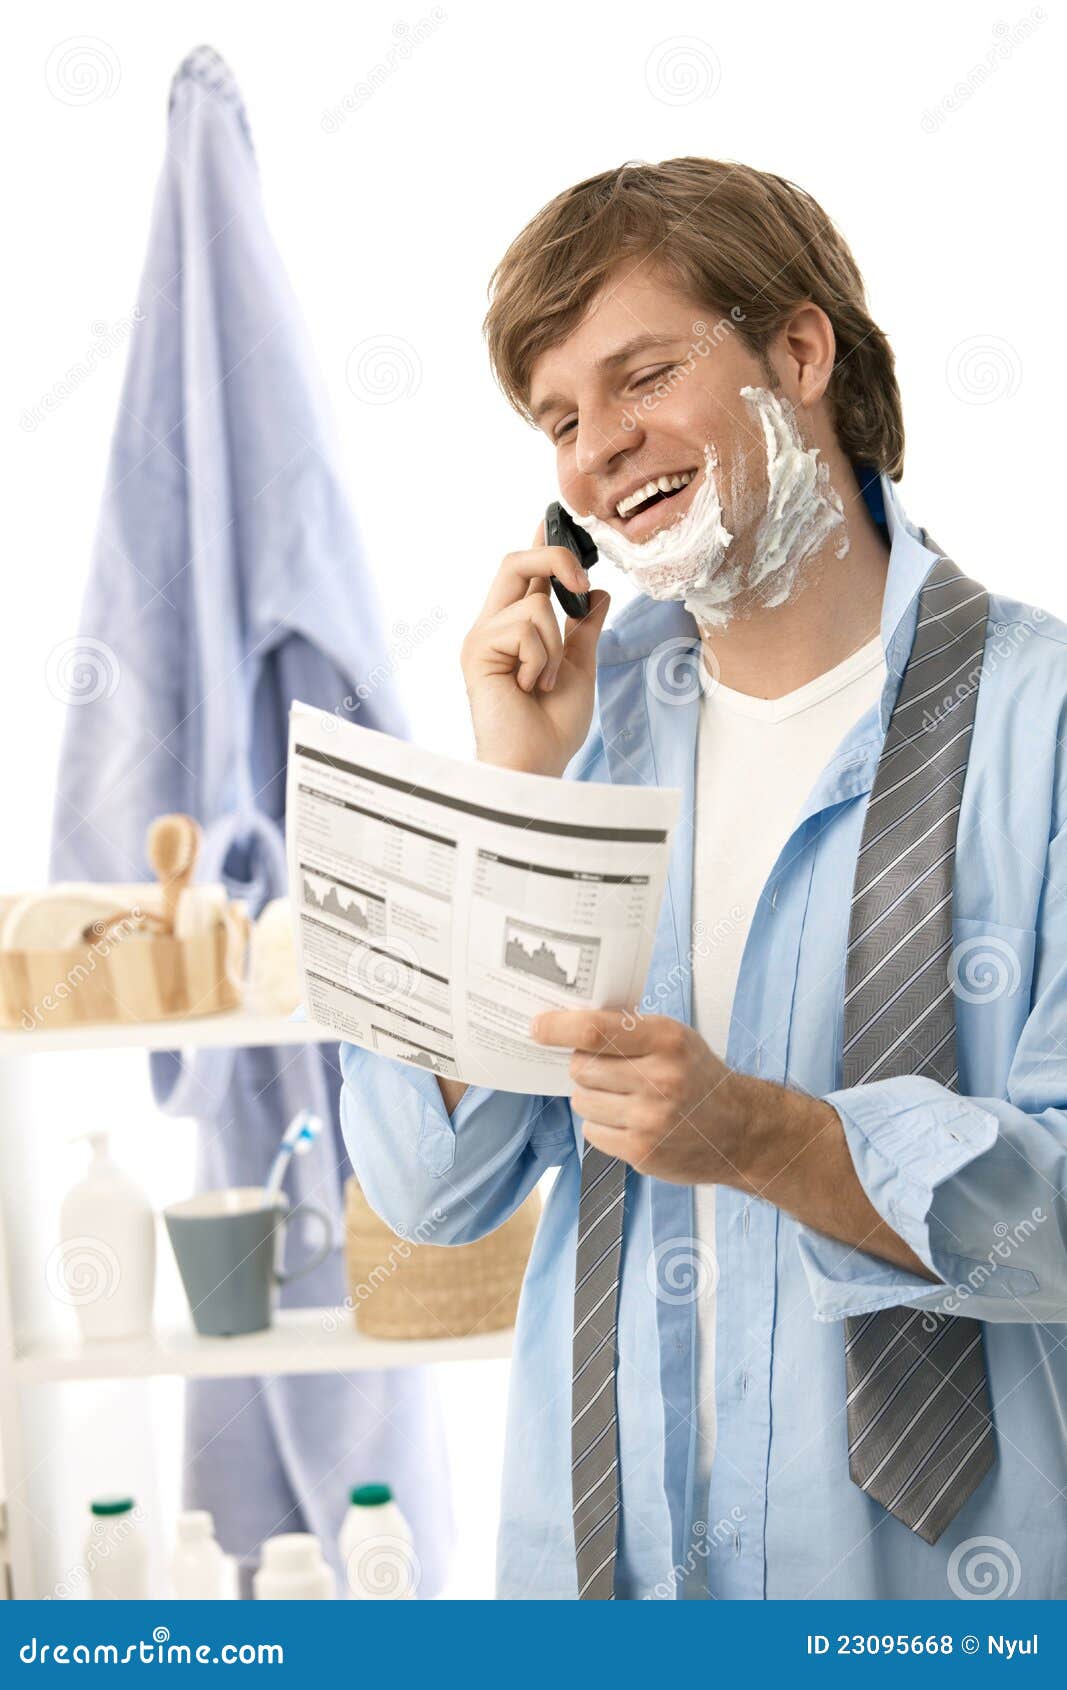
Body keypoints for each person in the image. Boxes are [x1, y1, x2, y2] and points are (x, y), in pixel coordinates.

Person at [340, 157, 1067, 1599]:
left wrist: (765, 1138)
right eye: (560, 419)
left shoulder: (1041, 723)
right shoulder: (581, 748)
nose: (600, 449)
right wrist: (511, 792)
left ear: (799, 352)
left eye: (645, 376)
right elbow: (430, 1188)